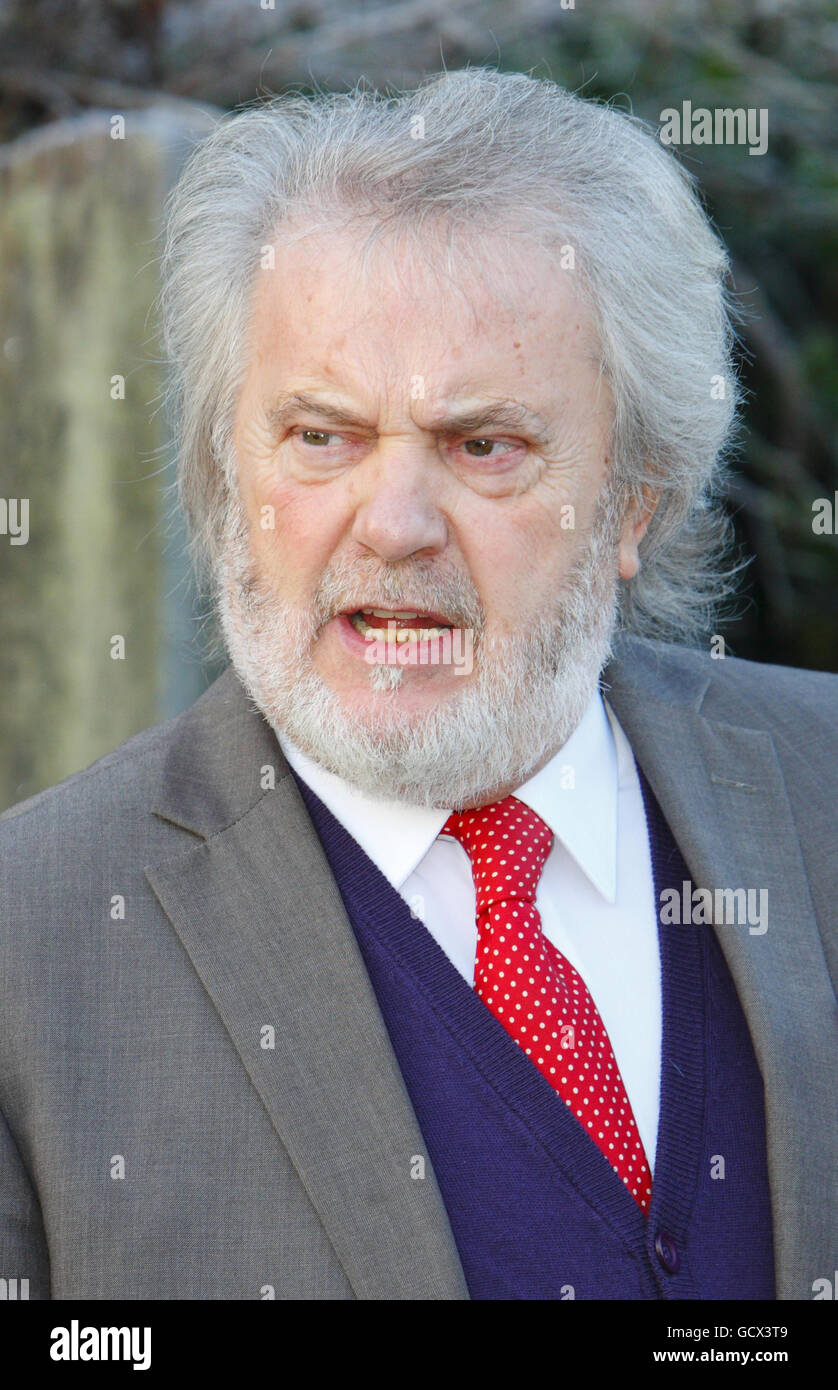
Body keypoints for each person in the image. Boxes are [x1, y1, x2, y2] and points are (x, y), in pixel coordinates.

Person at [1, 68, 835, 1301]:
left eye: (482, 445)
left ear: (632, 499)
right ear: (230, 481)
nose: (392, 525)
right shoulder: (32, 946)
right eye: (321, 436)